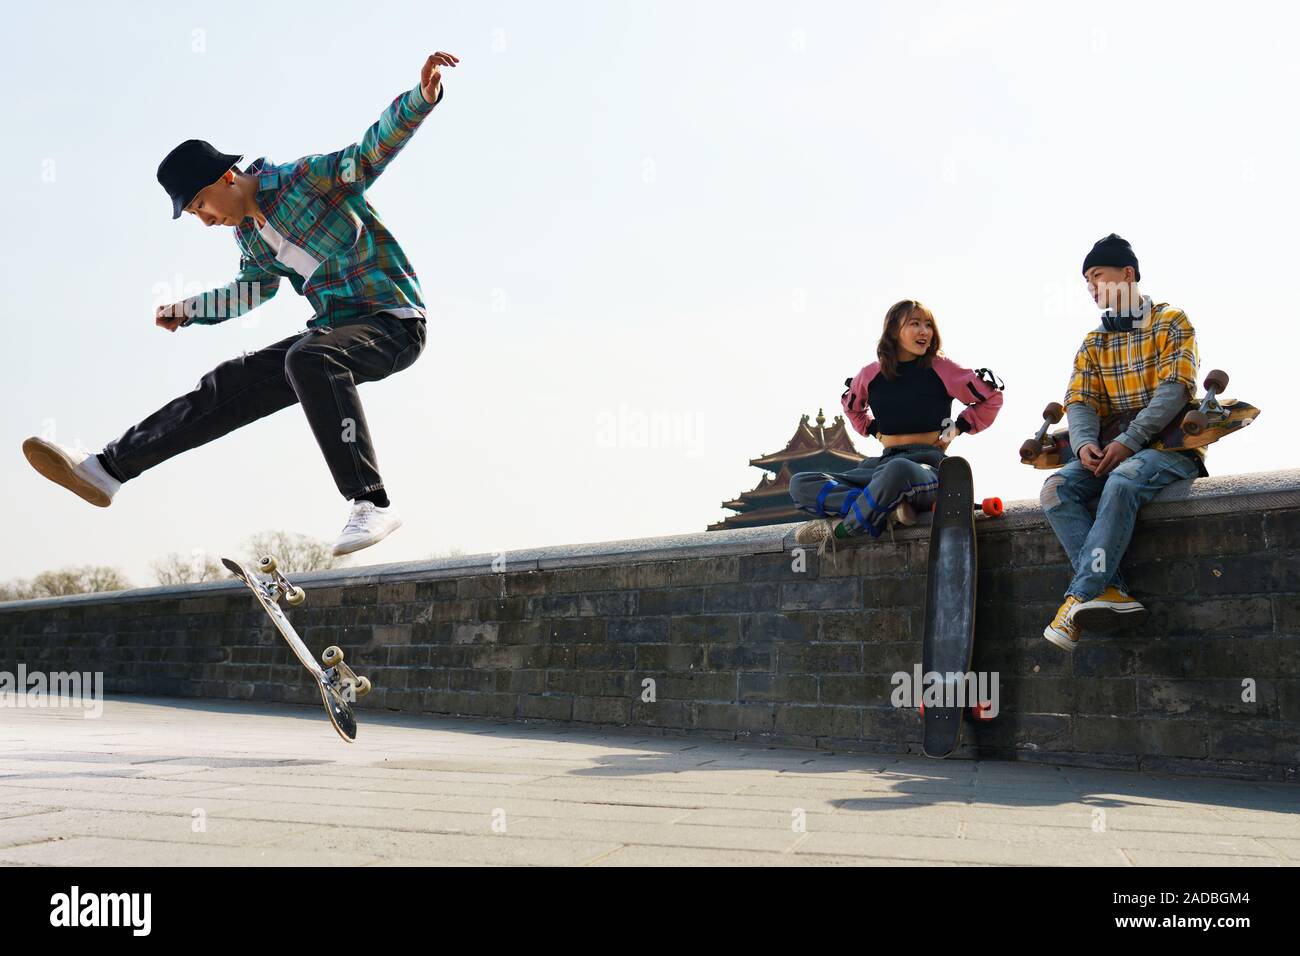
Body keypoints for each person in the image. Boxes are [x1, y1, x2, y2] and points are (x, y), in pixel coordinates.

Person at [22, 53, 460, 557]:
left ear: (227, 178)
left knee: (309, 357)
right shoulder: (251, 241)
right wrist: (191, 309)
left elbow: (366, 153)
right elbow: (253, 291)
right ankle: (107, 468)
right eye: (193, 216)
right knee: (230, 381)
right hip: (333, 333)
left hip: (394, 324)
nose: (205, 221)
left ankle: (372, 502)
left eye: (202, 206)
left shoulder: (303, 181)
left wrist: (421, 99)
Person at [1041, 233, 1205, 651]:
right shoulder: (1093, 342)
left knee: (1122, 481)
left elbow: (1175, 389)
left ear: (1127, 273)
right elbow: (1079, 401)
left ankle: (1076, 598)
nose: (1091, 286)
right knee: (1057, 489)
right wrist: (1082, 446)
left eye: (1097, 275)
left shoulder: (1172, 321)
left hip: (1169, 452)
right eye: (1086, 280)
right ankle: (1108, 590)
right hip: (1112, 451)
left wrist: (1130, 441)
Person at [790, 299, 1003, 551]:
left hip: (927, 469)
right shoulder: (871, 374)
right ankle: (887, 510)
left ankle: (845, 529)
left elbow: (991, 396)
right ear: (894, 331)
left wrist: (956, 428)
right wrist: (872, 430)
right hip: (881, 467)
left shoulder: (942, 368)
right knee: (801, 483)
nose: (924, 331)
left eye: (928, 325)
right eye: (915, 324)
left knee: (898, 471)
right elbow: (852, 407)